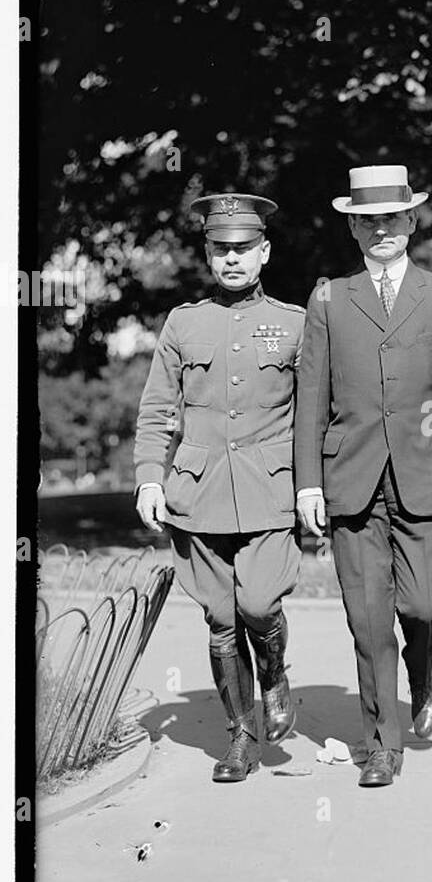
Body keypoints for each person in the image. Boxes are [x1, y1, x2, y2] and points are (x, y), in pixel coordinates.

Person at [295, 165, 432, 788]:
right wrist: (308, 483)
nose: (382, 229)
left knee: (423, 603)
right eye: (369, 220)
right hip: (351, 481)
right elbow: (311, 397)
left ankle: (423, 668)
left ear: (412, 221)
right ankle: (381, 743)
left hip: (427, 474)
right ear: (354, 227)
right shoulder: (329, 296)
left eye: (393, 218)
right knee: (366, 619)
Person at [133, 193, 305, 783]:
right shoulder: (184, 322)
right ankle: (239, 735)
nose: (231, 259)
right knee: (222, 620)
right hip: (198, 494)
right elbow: (157, 410)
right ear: (208, 254)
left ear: (264, 252)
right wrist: (149, 479)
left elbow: (313, 419)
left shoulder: (294, 323)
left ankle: (276, 675)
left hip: (270, 491)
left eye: (242, 249)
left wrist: (313, 490)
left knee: (259, 603)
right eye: (220, 249)